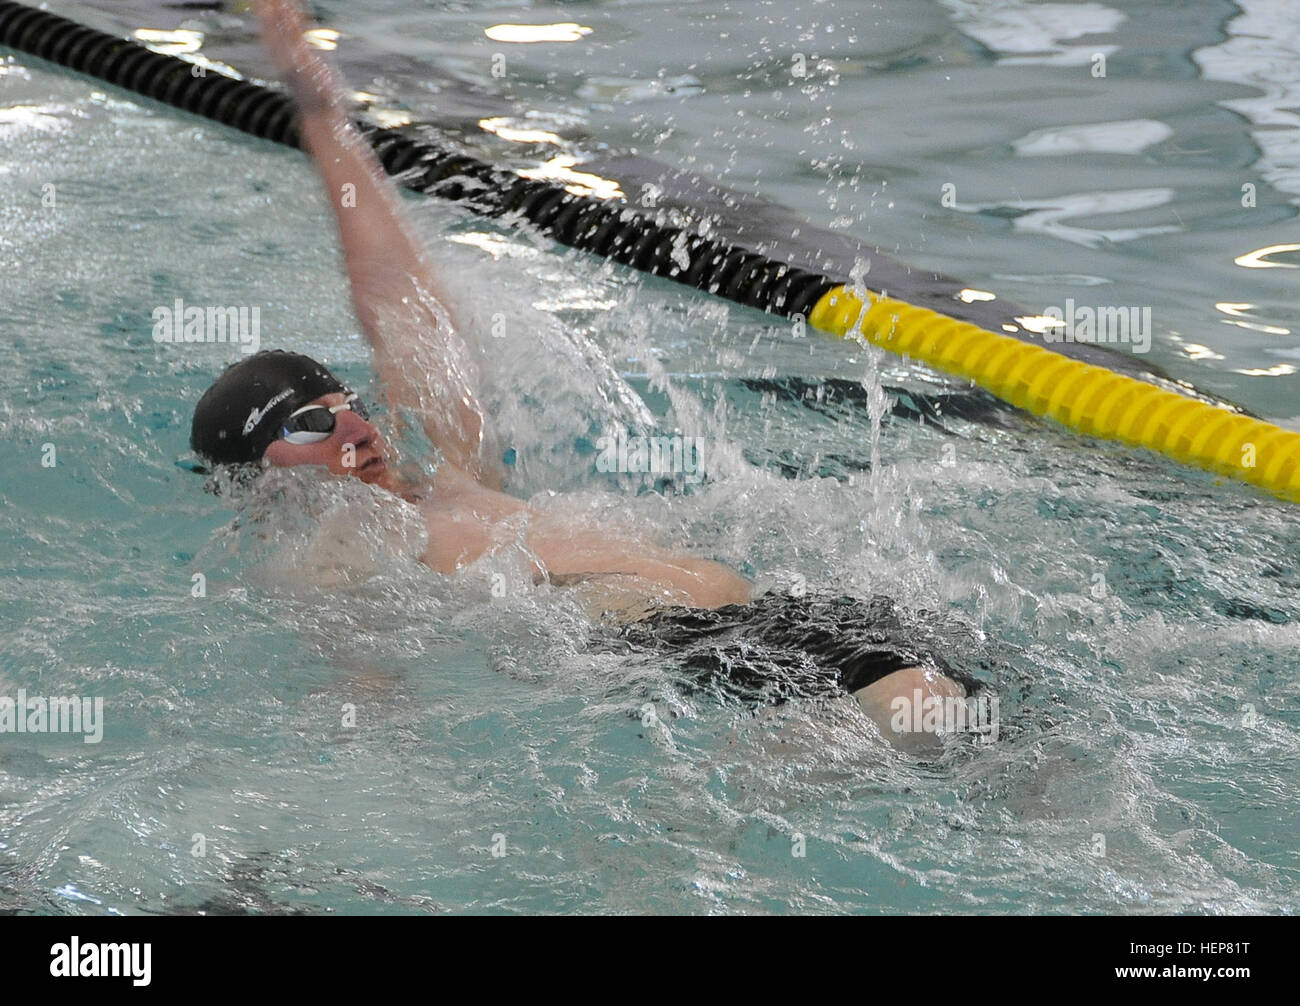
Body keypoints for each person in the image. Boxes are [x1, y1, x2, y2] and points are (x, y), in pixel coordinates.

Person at [189, 0, 979, 746]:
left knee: (997, 727)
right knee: (922, 717)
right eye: (312, 424)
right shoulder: (334, 562)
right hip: (693, 654)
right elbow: (370, 696)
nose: (355, 425)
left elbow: (393, 290)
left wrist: (309, 83)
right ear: (260, 483)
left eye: (347, 402)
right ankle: (719, 820)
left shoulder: (454, 474)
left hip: (788, 617)